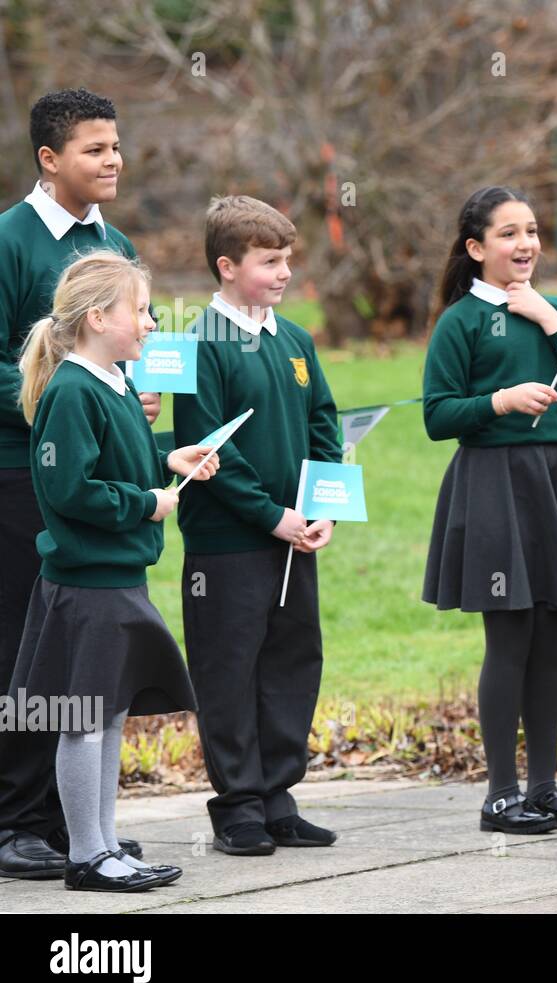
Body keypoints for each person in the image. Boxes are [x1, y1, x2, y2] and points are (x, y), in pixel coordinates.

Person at [11, 251, 216, 891]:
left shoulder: (116, 382)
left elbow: (116, 462)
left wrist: (164, 458)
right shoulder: (72, 389)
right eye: (142, 310)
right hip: (87, 588)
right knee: (84, 720)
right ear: (100, 318)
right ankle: (85, 857)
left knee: (110, 716)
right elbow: (71, 490)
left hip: (121, 579)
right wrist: (148, 502)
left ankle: (104, 848)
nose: (152, 322)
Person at [423, 186, 557, 835]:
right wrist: (499, 401)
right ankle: (501, 793)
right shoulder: (461, 322)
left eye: (531, 230)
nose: (525, 243)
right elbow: (437, 414)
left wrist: (551, 319)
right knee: (510, 637)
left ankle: (545, 787)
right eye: (508, 233)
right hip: (495, 484)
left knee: (551, 636)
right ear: (476, 248)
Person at [0, 88, 154, 881]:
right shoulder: (8, 242)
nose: (114, 160)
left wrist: (128, 389)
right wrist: (64, 394)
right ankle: (17, 819)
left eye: (117, 146)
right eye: (96, 149)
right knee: (29, 652)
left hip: (99, 471)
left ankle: (79, 829)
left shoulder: (114, 243)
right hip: (22, 477)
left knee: (90, 663)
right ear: (49, 159)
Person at [172, 196, 344, 856]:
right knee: (230, 670)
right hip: (230, 545)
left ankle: (278, 796)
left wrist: (322, 506)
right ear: (226, 266)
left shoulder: (297, 341)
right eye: (268, 261)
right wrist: (274, 517)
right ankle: (237, 804)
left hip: (297, 539)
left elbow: (325, 422)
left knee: (292, 662)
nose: (283, 273)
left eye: (286, 260)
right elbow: (212, 447)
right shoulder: (201, 346)